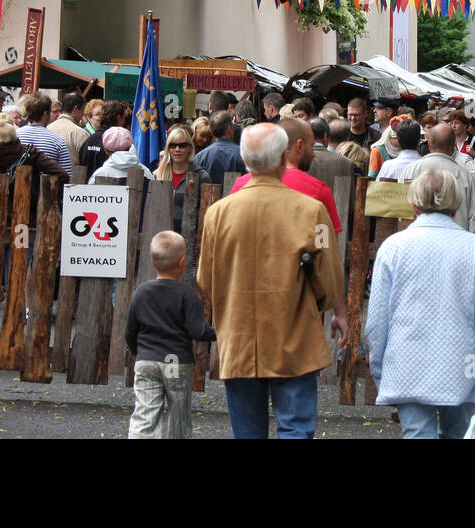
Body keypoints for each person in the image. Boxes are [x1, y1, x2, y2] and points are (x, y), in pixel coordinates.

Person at [196, 124, 346, 439]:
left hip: (239, 334)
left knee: (247, 432)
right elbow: (327, 276)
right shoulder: (312, 210)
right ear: (282, 157)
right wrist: (319, 304)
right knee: (295, 428)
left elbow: (205, 279)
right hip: (294, 331)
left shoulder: (218, 213)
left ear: (245, 160)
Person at [365, 170, 475, 438]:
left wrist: (381, 369)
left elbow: (376, 322)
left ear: (414, 203)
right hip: (464, 366)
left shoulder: (392, 247)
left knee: (417, 433)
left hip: (406, 362)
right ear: (457, 205)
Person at [126, 231, 216, 439]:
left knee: (145, 414)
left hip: (147, 360)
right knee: (179, 415)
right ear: (182, 262)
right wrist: (223, 333)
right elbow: (198, 331)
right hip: (175, 362)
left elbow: (130, 331)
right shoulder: (186, 294)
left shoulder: (141, 292)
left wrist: (138, 352)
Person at [230, 118, 342, 234]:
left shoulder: (241, 185)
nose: (313, 153)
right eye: (311, 145)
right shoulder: (318, 191)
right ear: (299, 145)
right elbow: (324, 246)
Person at [401, 124, 475, 239]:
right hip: (458, 248)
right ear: (454, 146)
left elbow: (400, 214)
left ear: (429, 145)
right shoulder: (466, 176)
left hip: (414, 245)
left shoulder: (410, 171)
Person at [154, 124, 210, 232]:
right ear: (168, 148)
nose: (177, 149)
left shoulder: (202, 176)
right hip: (161, 234)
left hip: (190, 237)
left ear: (190, 148)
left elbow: (206, 212)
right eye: (173, 145)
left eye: (182, 145)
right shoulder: (157, 174)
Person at [16, 93, 73, 176]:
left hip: (17, 186)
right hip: (48, 187)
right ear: (45, 114)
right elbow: (67, 173)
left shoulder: (15, 135)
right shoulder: (57, 140)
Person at [193, 111, 244, 187]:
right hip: (236, 197)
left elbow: (193, 187)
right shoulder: (243, 155)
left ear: (212, 132)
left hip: (208, 197)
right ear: (229, 129)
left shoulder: (200, 157)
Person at [48, 92, 89, 161]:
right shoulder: (81, 134)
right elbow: (87, 160)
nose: (82, 115)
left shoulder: (47, 129)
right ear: (76, 109)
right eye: (82, 111)